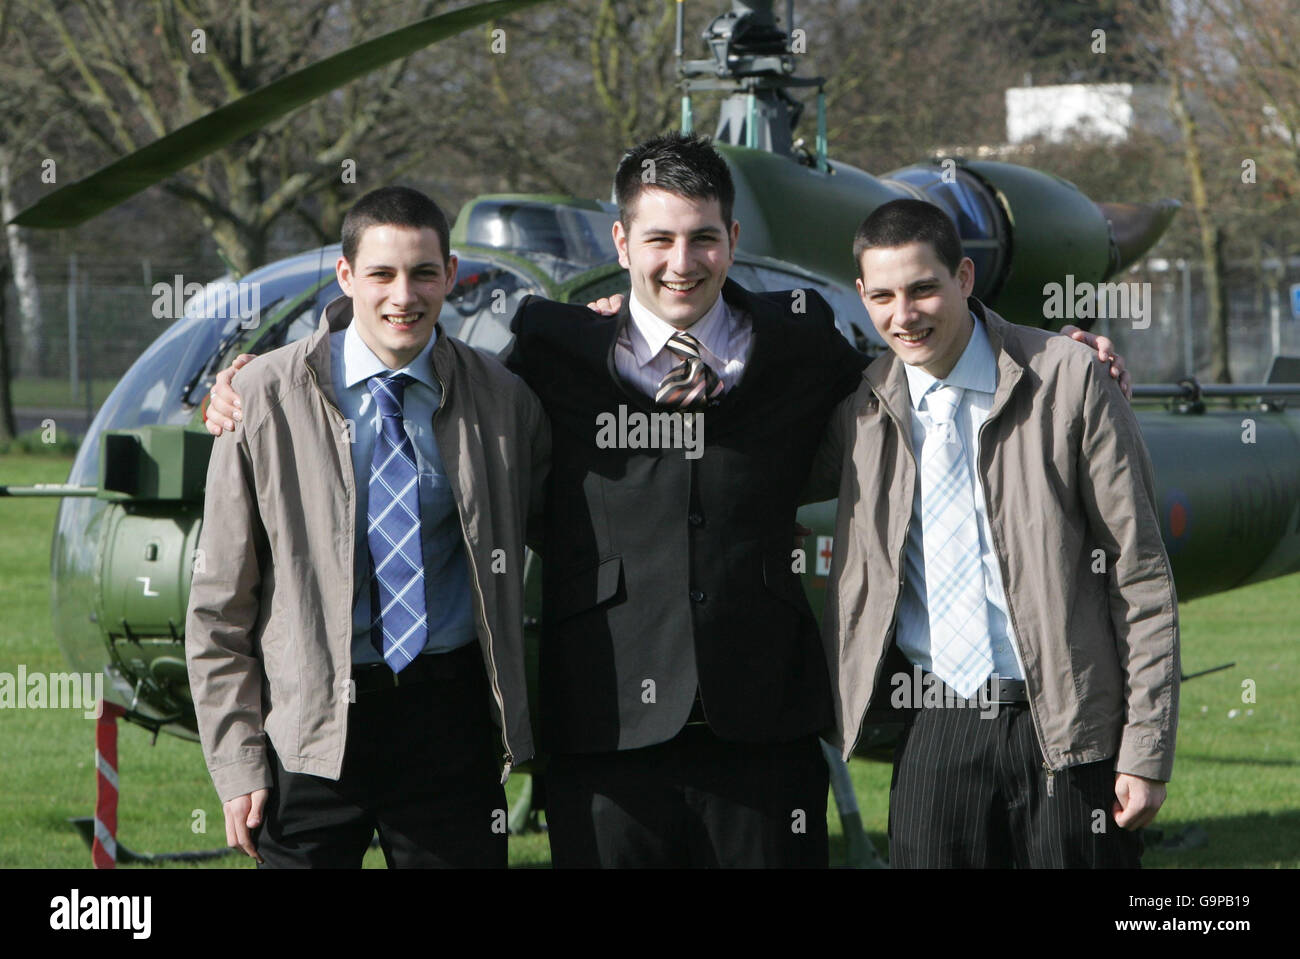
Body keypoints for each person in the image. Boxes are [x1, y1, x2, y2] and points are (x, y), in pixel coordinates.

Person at [205, 136, 1131, 868]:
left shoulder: (802, 348)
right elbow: (410, 344)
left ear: (733, 240)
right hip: (604, 734)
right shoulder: (553, 351)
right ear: (622, 245)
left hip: (763, 731)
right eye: (658, 239)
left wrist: (1051, 349)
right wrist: (265, 372)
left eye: (702, 238)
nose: (681, 262)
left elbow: (921, 355)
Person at [807, 198, 1178, 868]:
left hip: (1068, 727)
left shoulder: (1069, 377)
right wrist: (616, 322)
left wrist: (1146, 748)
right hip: (935, 725)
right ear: (861, 295)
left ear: (965, 277)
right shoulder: (860, 409)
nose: (904, 315)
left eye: (923, 289)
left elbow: (1139, 573)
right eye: (883, 296)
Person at [185, 186, 549, 868]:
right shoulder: (262, 398)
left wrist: (609, 319)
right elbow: (218, 605)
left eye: (423, 273)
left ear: (451, 273)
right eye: (381, 274)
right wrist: (237, 761)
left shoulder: (502, 400)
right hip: (309, 729)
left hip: (450, 724)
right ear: (346, 275)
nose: (403, 296)